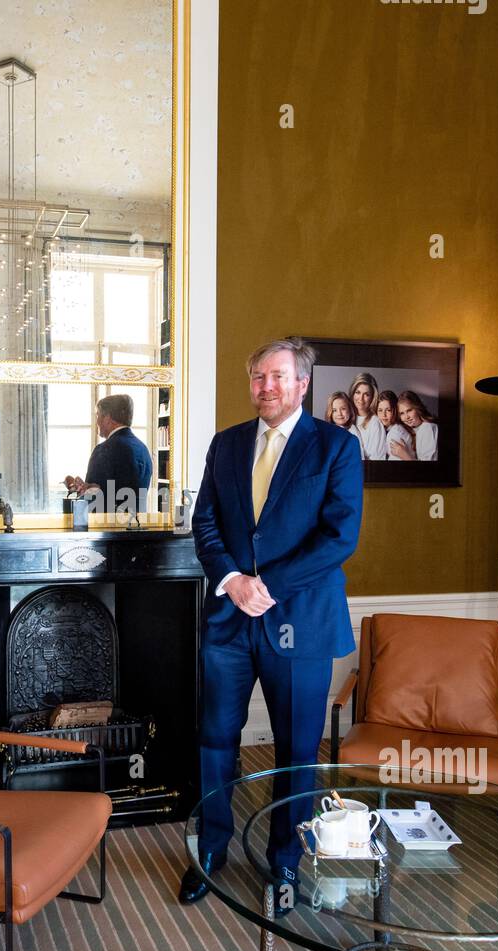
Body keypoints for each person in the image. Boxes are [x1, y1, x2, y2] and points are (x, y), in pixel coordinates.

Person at [180, 337, 363, 910]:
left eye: (279, 377)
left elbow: (339, 536)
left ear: (303, 383)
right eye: (259, 377)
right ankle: (211, 849)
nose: (267, 387)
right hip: (231, 620)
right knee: (214, 741)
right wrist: (233, 580)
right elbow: (204, 520)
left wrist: (270, 586)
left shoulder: (336, 447)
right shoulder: (226, 444)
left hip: (300, 623)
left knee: (296, 750)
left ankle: (285, 862)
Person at [64, 393, 153, 514]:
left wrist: (78, 488)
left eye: (98, 416)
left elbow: (91, 499)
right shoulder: (143, 450)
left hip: (108, 528)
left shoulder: (104, 449)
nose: (97, 422)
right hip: (137, 526)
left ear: (107, 418)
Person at [349, 372, 386, 460]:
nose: (361, 398)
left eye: (366, 394)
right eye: (358, 392)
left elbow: (377, 460)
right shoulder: (345, 417)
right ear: (352, 393)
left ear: (373, 397)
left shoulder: (375, 423)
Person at [398, 390, 439, 462]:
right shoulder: (415, 431)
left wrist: (405, 455)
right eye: (402, 413)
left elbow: (427, 469)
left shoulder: (427, 428)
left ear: (417, 408)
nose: (406, 417)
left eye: (409, 410)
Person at [378, 389, 416, 461]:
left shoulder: (395, 433)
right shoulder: (392, 429)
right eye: (380, 410)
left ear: (395, 410)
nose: (383, 414)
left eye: (388, 410)